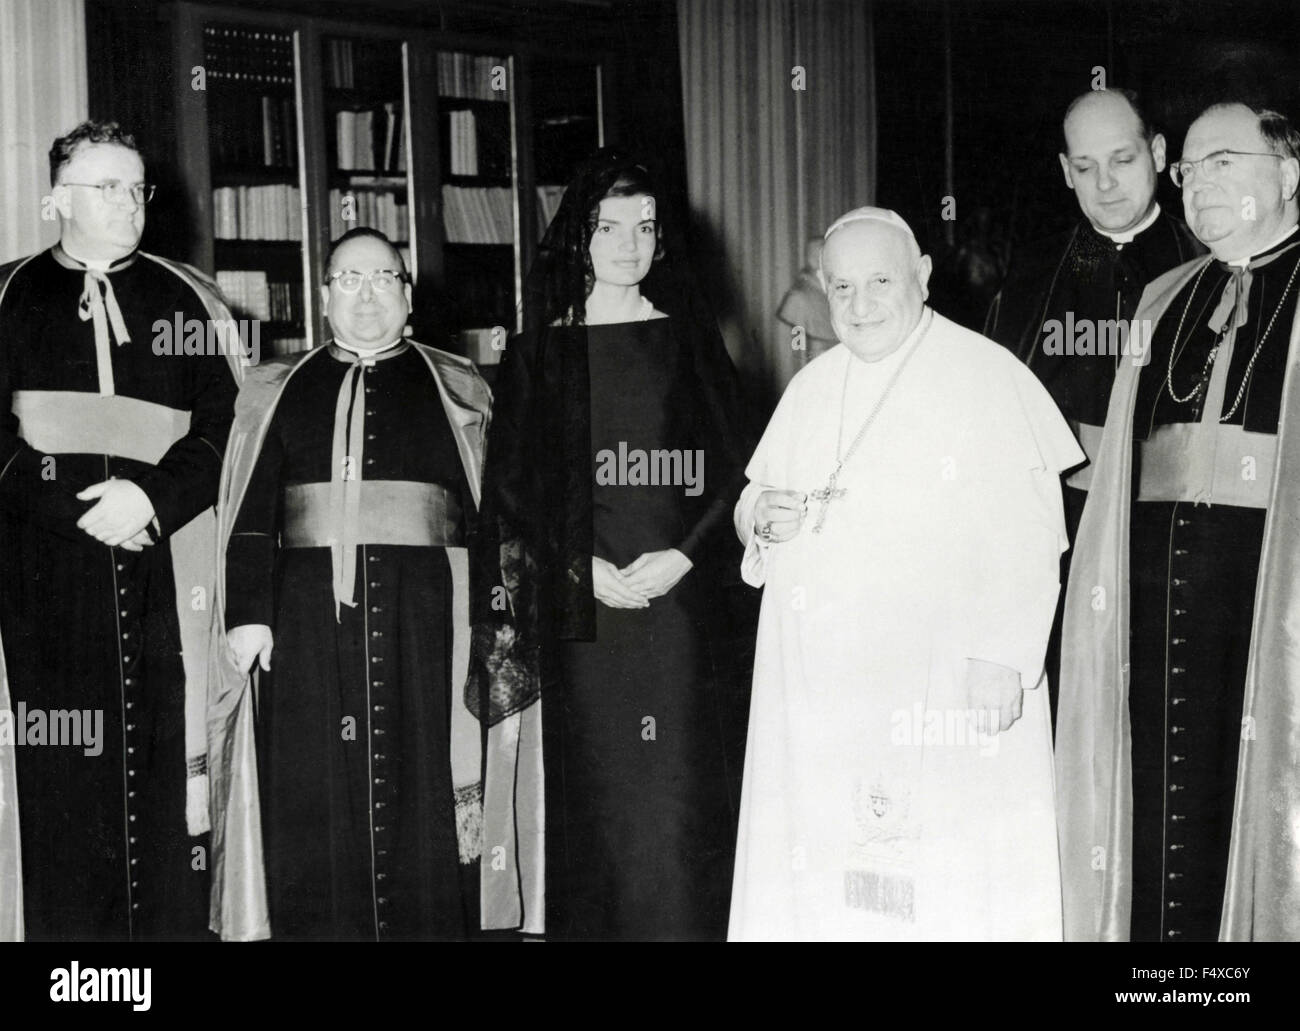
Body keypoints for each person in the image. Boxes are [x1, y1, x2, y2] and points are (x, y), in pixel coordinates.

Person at [729, 206, 1083, 941]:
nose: (859, 306)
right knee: (829, 863)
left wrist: (1003, 656)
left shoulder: (986, 376)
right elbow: (752, 498)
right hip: (822, 686)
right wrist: (760, 515)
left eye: (880, 281)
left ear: (922, 276)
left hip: (944, 680)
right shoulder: (813, 384)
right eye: (842, 288)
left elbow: (1030, 529)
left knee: (941, 870)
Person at [467, 149, 750, 940]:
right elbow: (511, 501)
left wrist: (685, 555)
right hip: (582, 625)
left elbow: (737, 475)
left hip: (681, 620)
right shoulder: (536, 354)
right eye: (609, 226)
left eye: (646, 227)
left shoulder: (690, 343)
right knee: (596, 818)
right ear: (579, 237)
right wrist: (578, 570)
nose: (629, 243)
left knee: (676, 813)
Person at [1057, 102, 1300, 942]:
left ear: (1288, 174)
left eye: (1221, 163)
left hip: (1272, 617)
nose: (1197, 187)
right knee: (1162, 836)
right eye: (1189, 171)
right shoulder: (1164, 302)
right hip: (1159, 626)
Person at [0, 121, 242, 940]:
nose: (130, 203)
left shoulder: (191, 299)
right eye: (107, 186)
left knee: (166, 790)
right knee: (62, 783)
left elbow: (227, 428)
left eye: (138, 187)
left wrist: (150, 499)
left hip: (168, 569)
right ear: (56, 198)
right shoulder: (4, 295)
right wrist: (81, 509)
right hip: (41, 577)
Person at [217, 228, 490, 940]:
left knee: (424, 786)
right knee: (314, 796)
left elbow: (495, 512)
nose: (366, 295)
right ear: (324, 294)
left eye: (383, 278)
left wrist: (494, 618)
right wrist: (247, 612)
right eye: (349, 279)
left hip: (429, 616)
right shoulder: (277, 388)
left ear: (409, 293)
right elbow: (248, 509)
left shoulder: (459, 386)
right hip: (304, 621)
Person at [984, 88, 1203, 718]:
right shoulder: (1032, 275)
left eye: (1123, 159)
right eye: (1085, 168)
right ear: (1065, 171)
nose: (1105, 185)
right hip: (1060, 529)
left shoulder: (1208, 262)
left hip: (1172, 529)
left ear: (1159, 154)